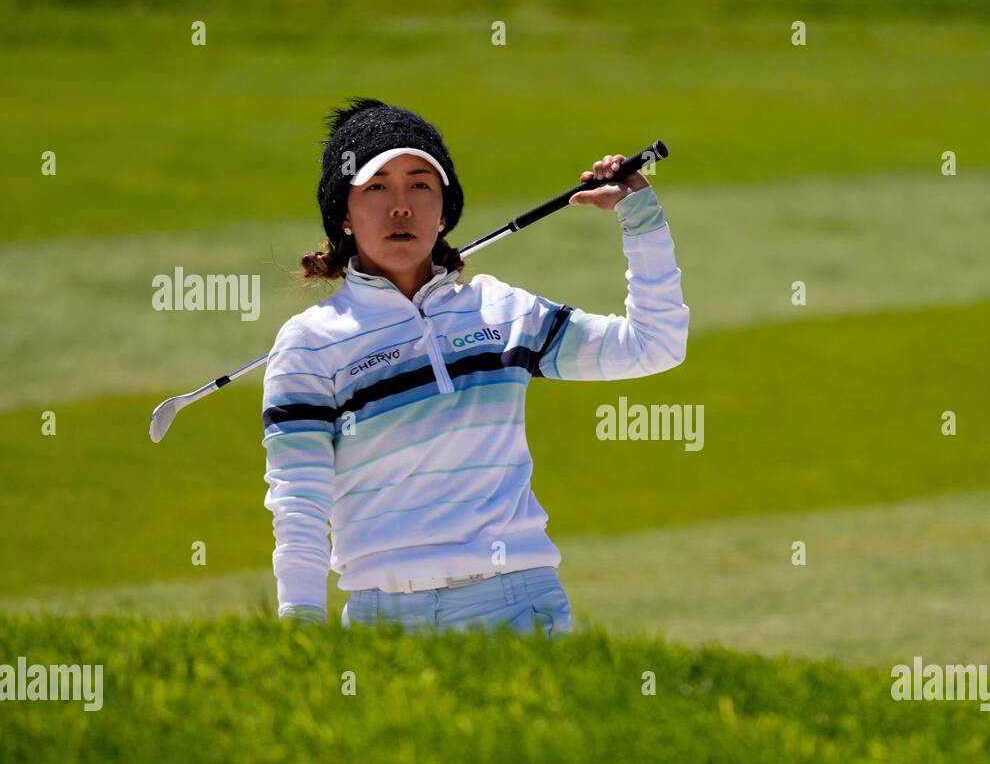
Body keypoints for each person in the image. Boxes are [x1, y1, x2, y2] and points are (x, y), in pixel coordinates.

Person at [261, 98, 689, 638]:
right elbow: (299, 505)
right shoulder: (308, 344)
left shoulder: (504, 313)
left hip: (518, 606)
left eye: (420, 184)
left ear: (444, 210)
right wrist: (301, 634)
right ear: (343, 215)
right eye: (376, 187)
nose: (401, 206)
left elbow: (655, 345)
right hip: (382, 621)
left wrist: (640, 216)